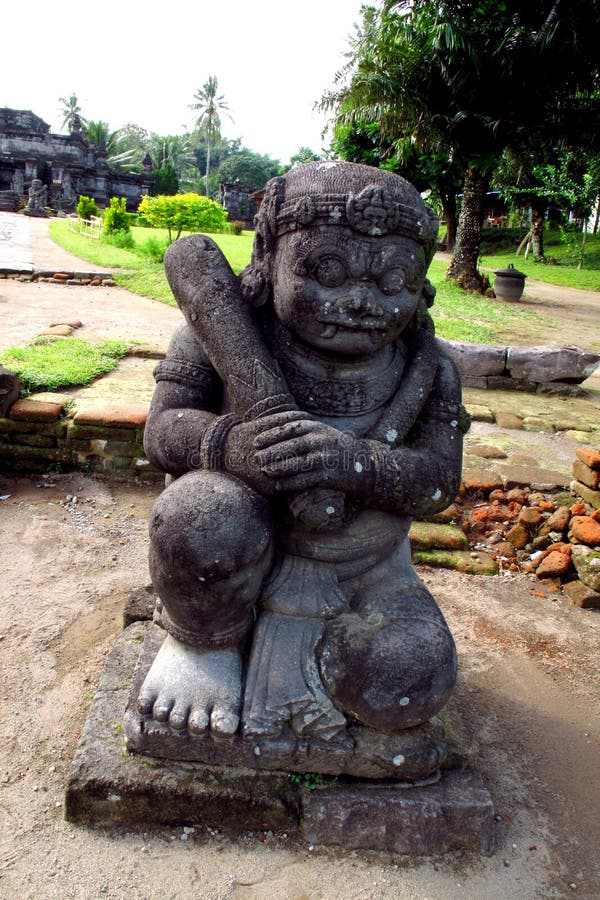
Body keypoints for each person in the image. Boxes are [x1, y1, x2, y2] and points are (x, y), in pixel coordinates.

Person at [139, 161, 469, 747]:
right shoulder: (214, 333)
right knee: (199, 513)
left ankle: (311, 651)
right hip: (239, 536)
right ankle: (203, 642)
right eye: (327, 270)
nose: (361, 302)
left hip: (365, 569)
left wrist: (352, 464)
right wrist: (229, 446)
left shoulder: (430, 371)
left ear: (421, 287)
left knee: (411, 679)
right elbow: (161, 432)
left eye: (394, 283)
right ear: (267, 259)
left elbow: (439, 483)